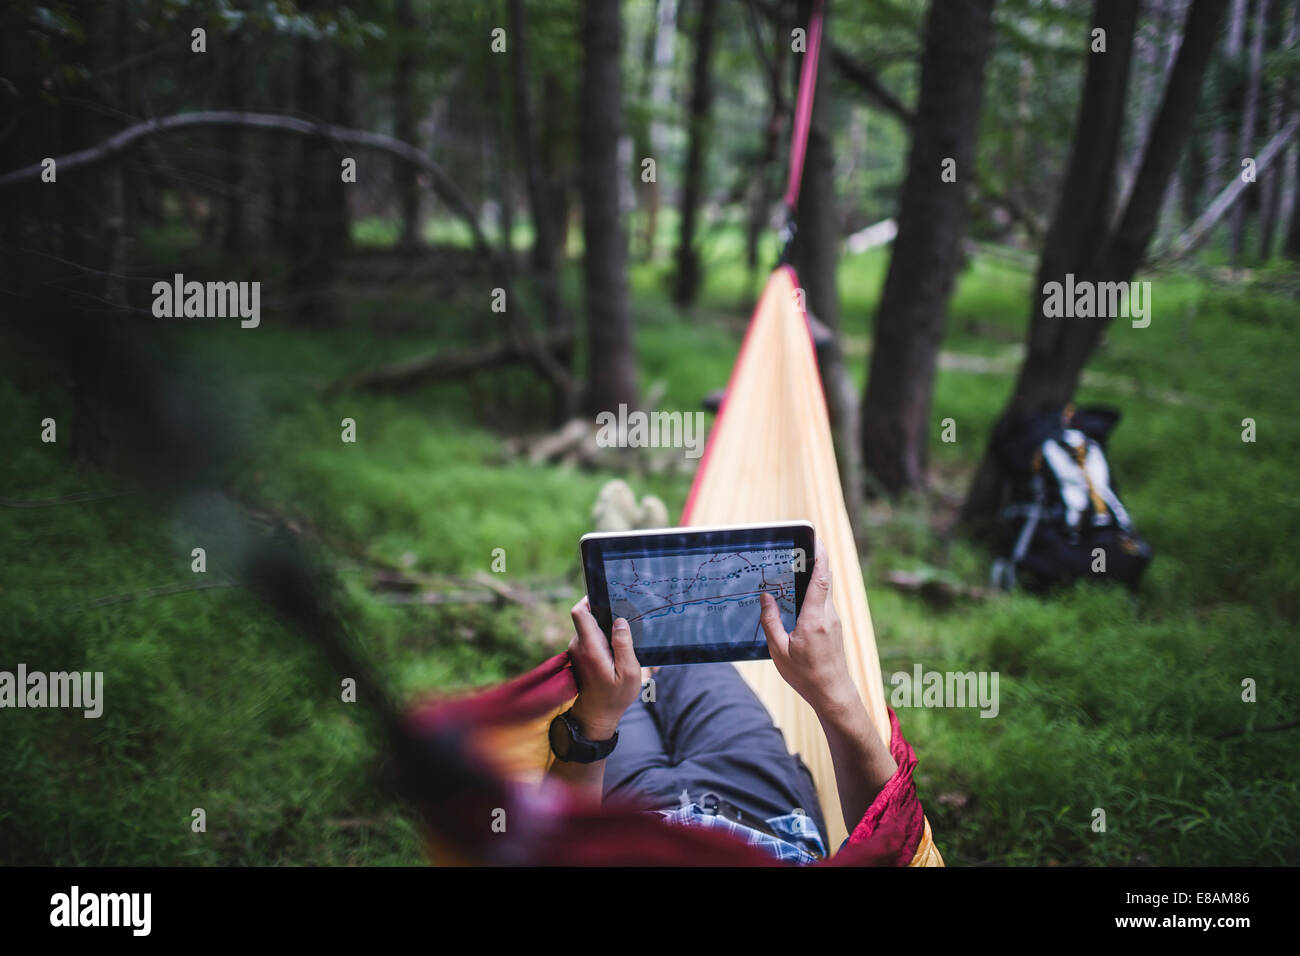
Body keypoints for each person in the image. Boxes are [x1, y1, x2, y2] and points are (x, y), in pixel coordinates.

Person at [546, 542, 898, 863]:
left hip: (636, 825)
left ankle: (620, 578)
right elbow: (896, 842)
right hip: (764, 808)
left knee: (609, 665)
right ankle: (631, 573)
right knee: (687, 647)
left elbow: (556, 850)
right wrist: (833, 689)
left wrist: (595, 721)